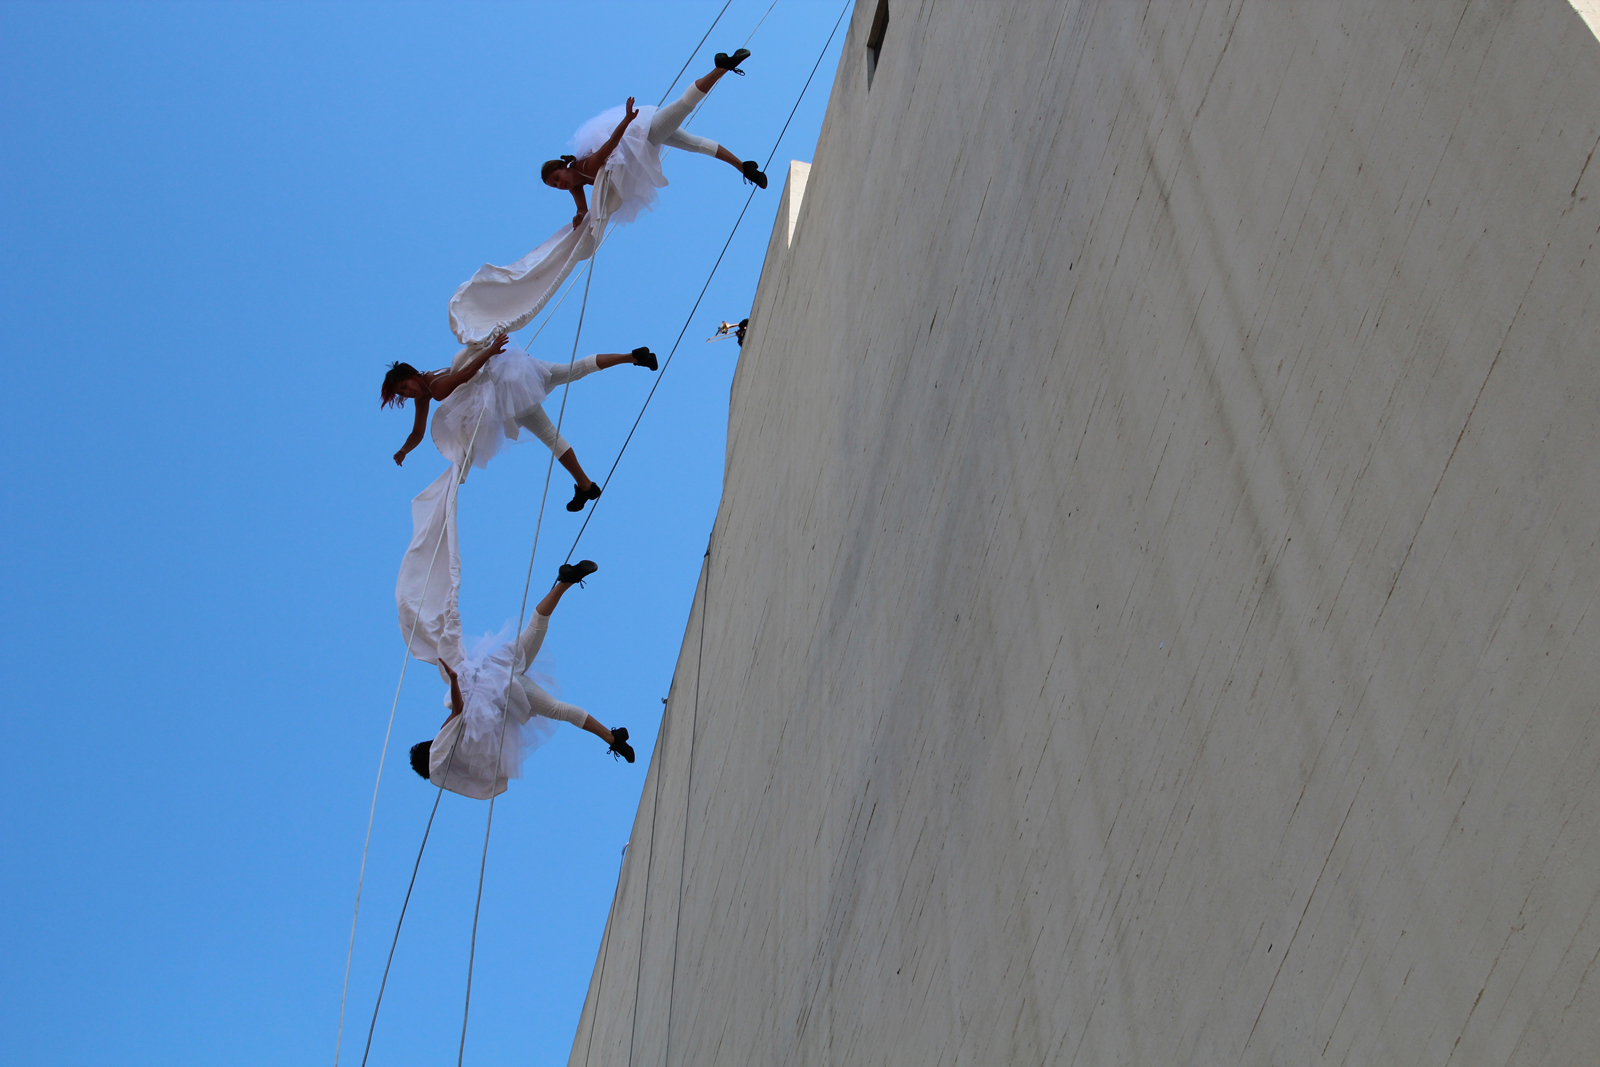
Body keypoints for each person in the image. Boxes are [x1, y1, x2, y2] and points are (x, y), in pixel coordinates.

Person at [409, 559, 635, 801]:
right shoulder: (447, 741)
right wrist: (454, 680)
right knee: (535, 628)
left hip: (503, 689)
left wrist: (454, 681)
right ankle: (566, 581)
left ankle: (613, 739)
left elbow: (458, 710)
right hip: (493, 666)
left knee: (560, 710)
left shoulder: (447, 739)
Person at [383, 337, 657, 512]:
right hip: (515, 368)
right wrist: (405, 450)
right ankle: (633, 357)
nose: (408, 394)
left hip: (505, 394)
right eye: (403, 394)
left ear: (411, 375)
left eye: (405, 387)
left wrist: (489, 351)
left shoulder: (436, 387)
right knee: (571, 370)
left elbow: (467, 373)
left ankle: (586, 486)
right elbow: (417, 431)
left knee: (550, 436)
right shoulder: (428, 386)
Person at [542, 49, 766, 231]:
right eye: (555, 185)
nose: (559, 184)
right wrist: (579, 215)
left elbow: (611, 144)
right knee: (695, 144)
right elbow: (581, 207)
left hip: (641, 138)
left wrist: (628, 119)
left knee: (683, 106)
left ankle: (720, 69)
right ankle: (744, 168)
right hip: (640, 145)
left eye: (557, 178)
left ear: (564, 167)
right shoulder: (575, 184)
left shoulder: (586, 166)